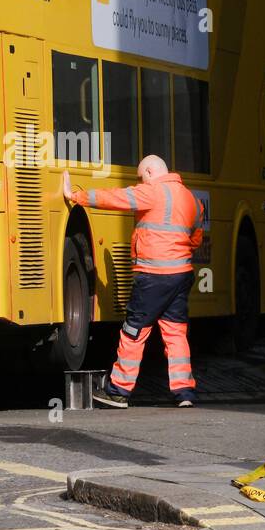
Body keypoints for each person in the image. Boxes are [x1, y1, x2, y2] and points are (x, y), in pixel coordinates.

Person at [61, 156, 204, 408]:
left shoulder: (152, 192)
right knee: (175, 332)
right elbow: (195, 240)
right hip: (181, 275)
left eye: (141, 177)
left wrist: (76, 196)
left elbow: (116, 198)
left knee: (133, 331)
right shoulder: (192, 200)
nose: (140, 182)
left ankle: (119, 390)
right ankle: (184, 393)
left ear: (149, 172)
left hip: (153, 275)